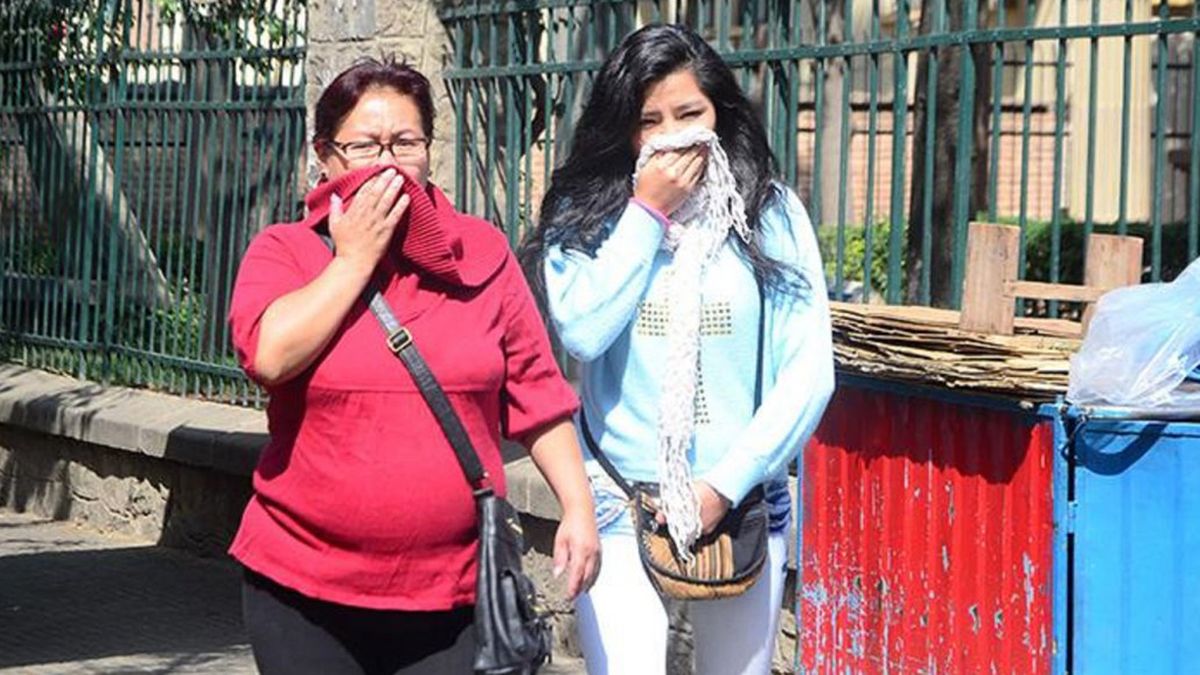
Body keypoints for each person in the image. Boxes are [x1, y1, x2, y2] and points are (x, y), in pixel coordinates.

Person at [227, 57, 600, 675]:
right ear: (326, 155)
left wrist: (579, 508)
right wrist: (352, 261)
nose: (387, 161)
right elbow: (269, 356)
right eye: (364, 145)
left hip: (453, 595)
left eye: (406, 143)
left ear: (429, 151)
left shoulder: (481, 253)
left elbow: (537, 392)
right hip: (302, 589)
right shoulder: (287, 252)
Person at [520, 24, 834, 675]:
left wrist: (723, 482)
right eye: (650, 121)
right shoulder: (584, 214)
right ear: (622, 128)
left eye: (689, 114)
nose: (672, 135)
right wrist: (646, 212)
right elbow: (581, 330)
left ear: (720, 113)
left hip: (740, 504)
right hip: (614, 496)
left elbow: (808, 371)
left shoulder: (770, 213)